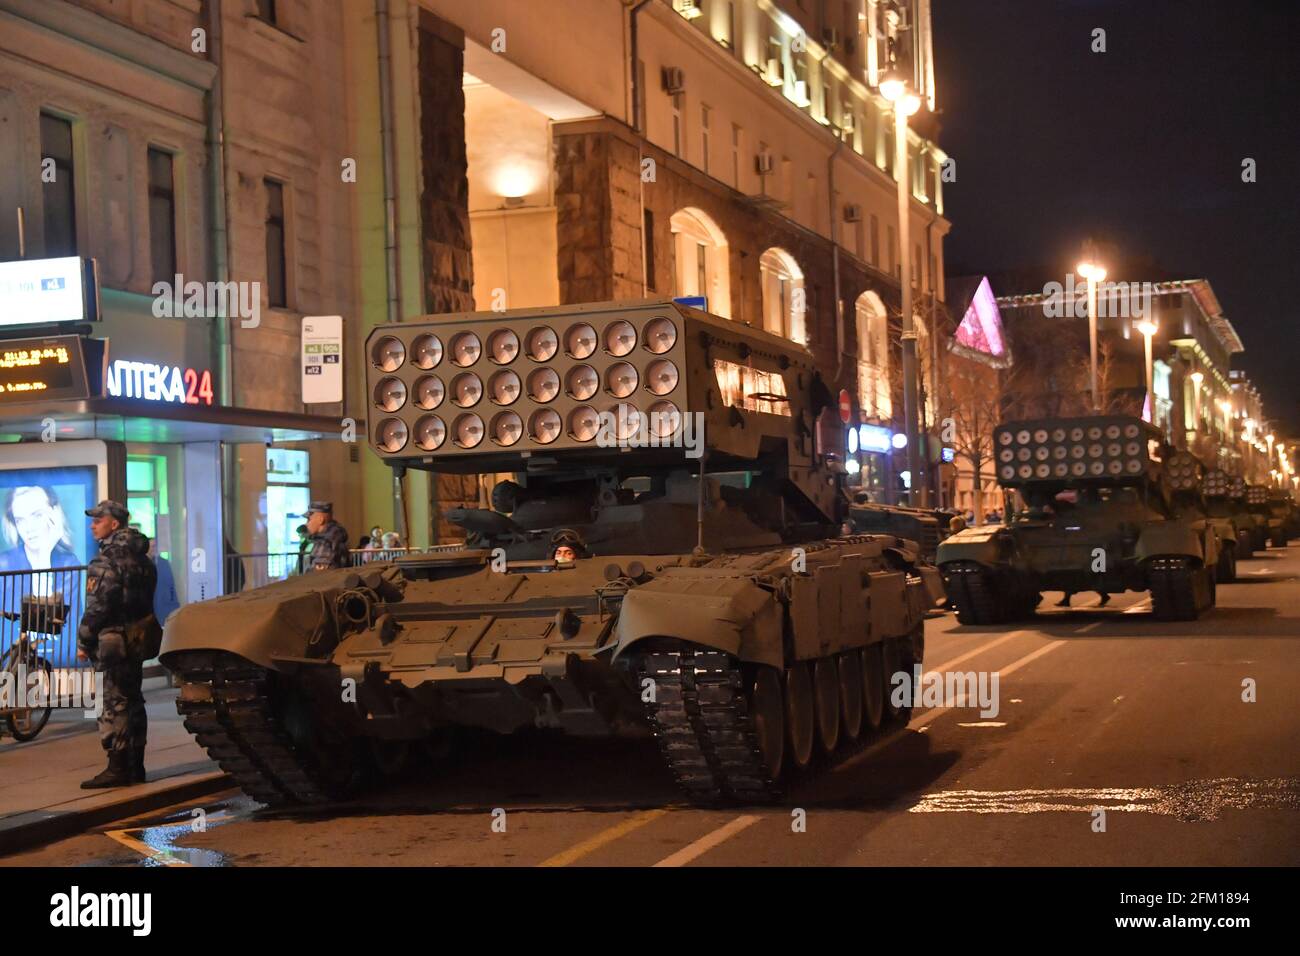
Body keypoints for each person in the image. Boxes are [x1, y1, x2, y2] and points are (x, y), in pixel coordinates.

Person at [77, 501, 158, 789]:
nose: (92, 524)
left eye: (99, 520)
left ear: (114, 524)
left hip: (111, 642)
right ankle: (137, 765)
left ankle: (117, 766)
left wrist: (84, 637)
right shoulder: (143, 559)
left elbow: (100, 605)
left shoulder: (106, 560)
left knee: (112, 702)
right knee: (134, 699)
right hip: (136, 639)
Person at [0, 486, 81, 572]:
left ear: (54, 514)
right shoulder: (3, 564)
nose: (29, 528)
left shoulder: (69, 564)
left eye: (37, 516)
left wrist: (44, 555)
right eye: (20, 520)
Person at [304, 501, 349, 571]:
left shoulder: (326, 542)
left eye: (309, 519)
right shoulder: (333, 538)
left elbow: (318, 576)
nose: (307, 524)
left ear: (320, 520)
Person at [149, 537, 180, 626]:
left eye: (155, 546)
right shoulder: (143, 564)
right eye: (152, 546)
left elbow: (170, 584)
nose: (154, 549)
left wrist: (173, 603)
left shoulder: (163, 563)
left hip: (163, 604)